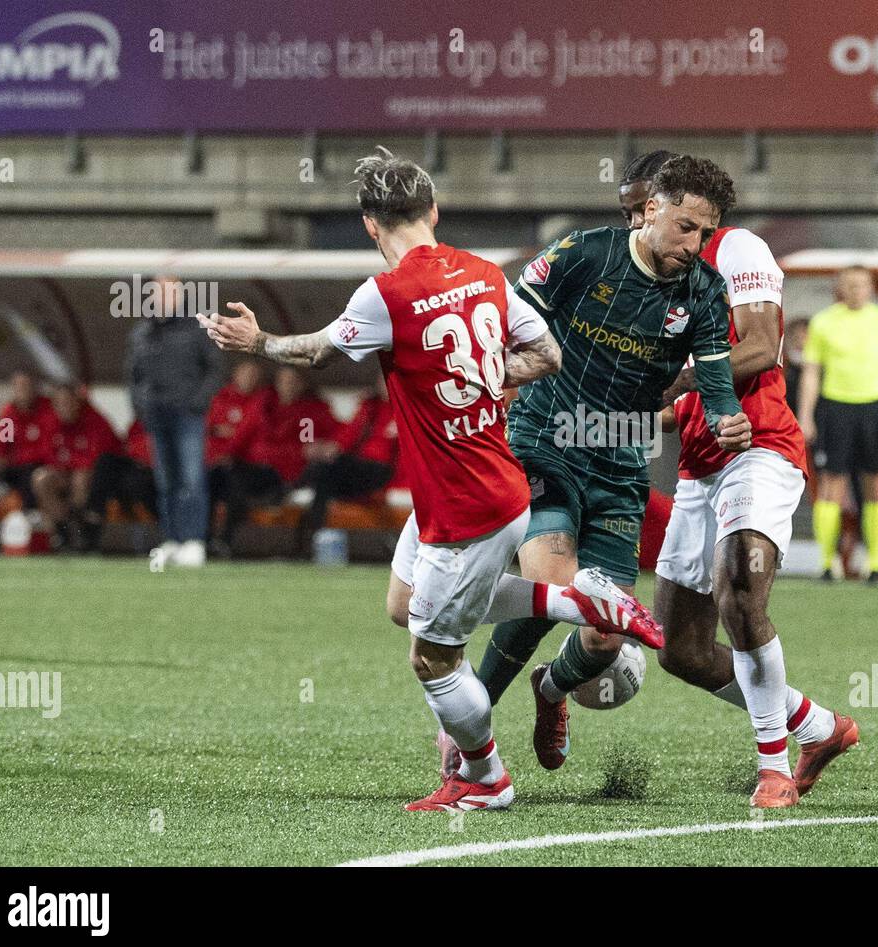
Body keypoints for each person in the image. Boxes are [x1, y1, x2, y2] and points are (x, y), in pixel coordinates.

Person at [196, 147, 664, 813]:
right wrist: (484, 378)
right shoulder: (484, 273)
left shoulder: (385, 293)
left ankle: (484, 777)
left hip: (464, 498)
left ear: (369, 225)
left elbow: (320, 352)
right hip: (483, 478)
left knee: (431, 659)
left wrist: (259, 343)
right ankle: (583, 601)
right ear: (434, 209)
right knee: (403, 605)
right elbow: (549, 354)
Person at [467, 153, 752, 774]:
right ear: (652, 209)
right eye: (687, 228)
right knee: (555, 581)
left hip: (622, 461)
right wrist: (491, 376)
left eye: (707, 233)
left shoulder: (704, 291)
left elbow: (716, 379)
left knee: (602, 635)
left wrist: (728, 415)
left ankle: (550, 689)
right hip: (545, 439)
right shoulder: (583, 254)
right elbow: (509, 320)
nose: (696, 244)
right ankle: (472, 726)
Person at [646, 177, 859, 808]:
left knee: (739, 582)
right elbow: (661, 405)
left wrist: (677, 379)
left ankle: (772, 768)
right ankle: (818, 728)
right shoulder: (647, 282)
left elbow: (763, 348)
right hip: (698, 466)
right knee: (680, 651)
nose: (635, 221)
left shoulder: (738, 250)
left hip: (758, 448)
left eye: (643, 207)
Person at [797, 266, 878, 582]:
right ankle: (827, 563)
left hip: (874, 407)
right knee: (832, 484)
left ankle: (874, 563)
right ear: (840, 288)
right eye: (850, 285)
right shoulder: (823, 322)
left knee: (877, 484)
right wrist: (806, 415)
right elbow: (812, 372)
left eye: (861, 285)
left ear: (871, 288)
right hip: (835, 407)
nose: (856, 290)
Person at [128, 273, 225, 568]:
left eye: (169, 292)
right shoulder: (142, 332)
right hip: (156, 415)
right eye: (158, 292)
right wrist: (140, 407)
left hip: (188, 416)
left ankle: (194, 541)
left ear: (181, 295)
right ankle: (172, 539)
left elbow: (215, 370)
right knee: (166, 481)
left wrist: (197, 403)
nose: (163, 297)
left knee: (192, 479)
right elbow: (132, 376)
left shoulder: (197, 328)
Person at [218, 366, 334, 553]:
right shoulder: (262, 405)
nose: (287, 386)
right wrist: (228, 455)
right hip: (253, 469)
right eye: (284, 380)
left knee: (240, 481)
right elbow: (243, 435)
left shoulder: (310, 413)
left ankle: (226, 541)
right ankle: (219, 542)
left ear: (302, 385)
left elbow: (309, 447)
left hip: (281, 476)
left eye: (293, 381)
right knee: (228, 476)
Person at [294, 390, 398, 554]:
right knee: (326, 474)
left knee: (327, 470)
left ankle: (308, 535)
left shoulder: (404, 410)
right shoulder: (370, 407)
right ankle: (311, 536)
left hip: (382, 471)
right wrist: (332, 448)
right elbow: (350, 434)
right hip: (358, 469)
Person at [31, 384, 121, 550]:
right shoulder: (49, 422)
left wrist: (71, 467)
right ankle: (62, 531)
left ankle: (83, 529)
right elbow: (46, 455)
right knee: (41, 478)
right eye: (59, 403)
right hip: (65, 473)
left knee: (81, 478)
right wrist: (65, 469)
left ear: (77, 402)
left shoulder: (96, 421)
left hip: (95, 480)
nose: (63, 408)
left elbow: (97, 459)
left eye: (67, 402)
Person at [205, 360, 272, 555]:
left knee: (236, 485)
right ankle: (204, 540)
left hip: (249, 466)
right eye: (245, 374)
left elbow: (250, 434)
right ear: (235, 375)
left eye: (254, 375)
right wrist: (218, 433)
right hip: (218, 464)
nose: (249, 379)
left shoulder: (263, 402)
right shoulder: (219, 399)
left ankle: (225, 541)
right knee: (208, 482)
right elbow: (206, 430)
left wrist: (228, 438)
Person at [79, 420, 158, 552]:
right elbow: (126, 447)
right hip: (135, 467)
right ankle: (93, 520)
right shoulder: (139, 423)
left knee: (136, 481)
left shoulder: (177, 423)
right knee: (106, 462)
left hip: (153, 473)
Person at [0, 371, 53, 509]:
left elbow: (50, 443)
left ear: (35, 387)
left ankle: (31, 514)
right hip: (17, 466)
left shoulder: (47, 409)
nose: (23, 391)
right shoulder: (8, 415)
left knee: (31, 472)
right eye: (19, 386)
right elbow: (2, 448)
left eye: (27, 386)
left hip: (42, 464)